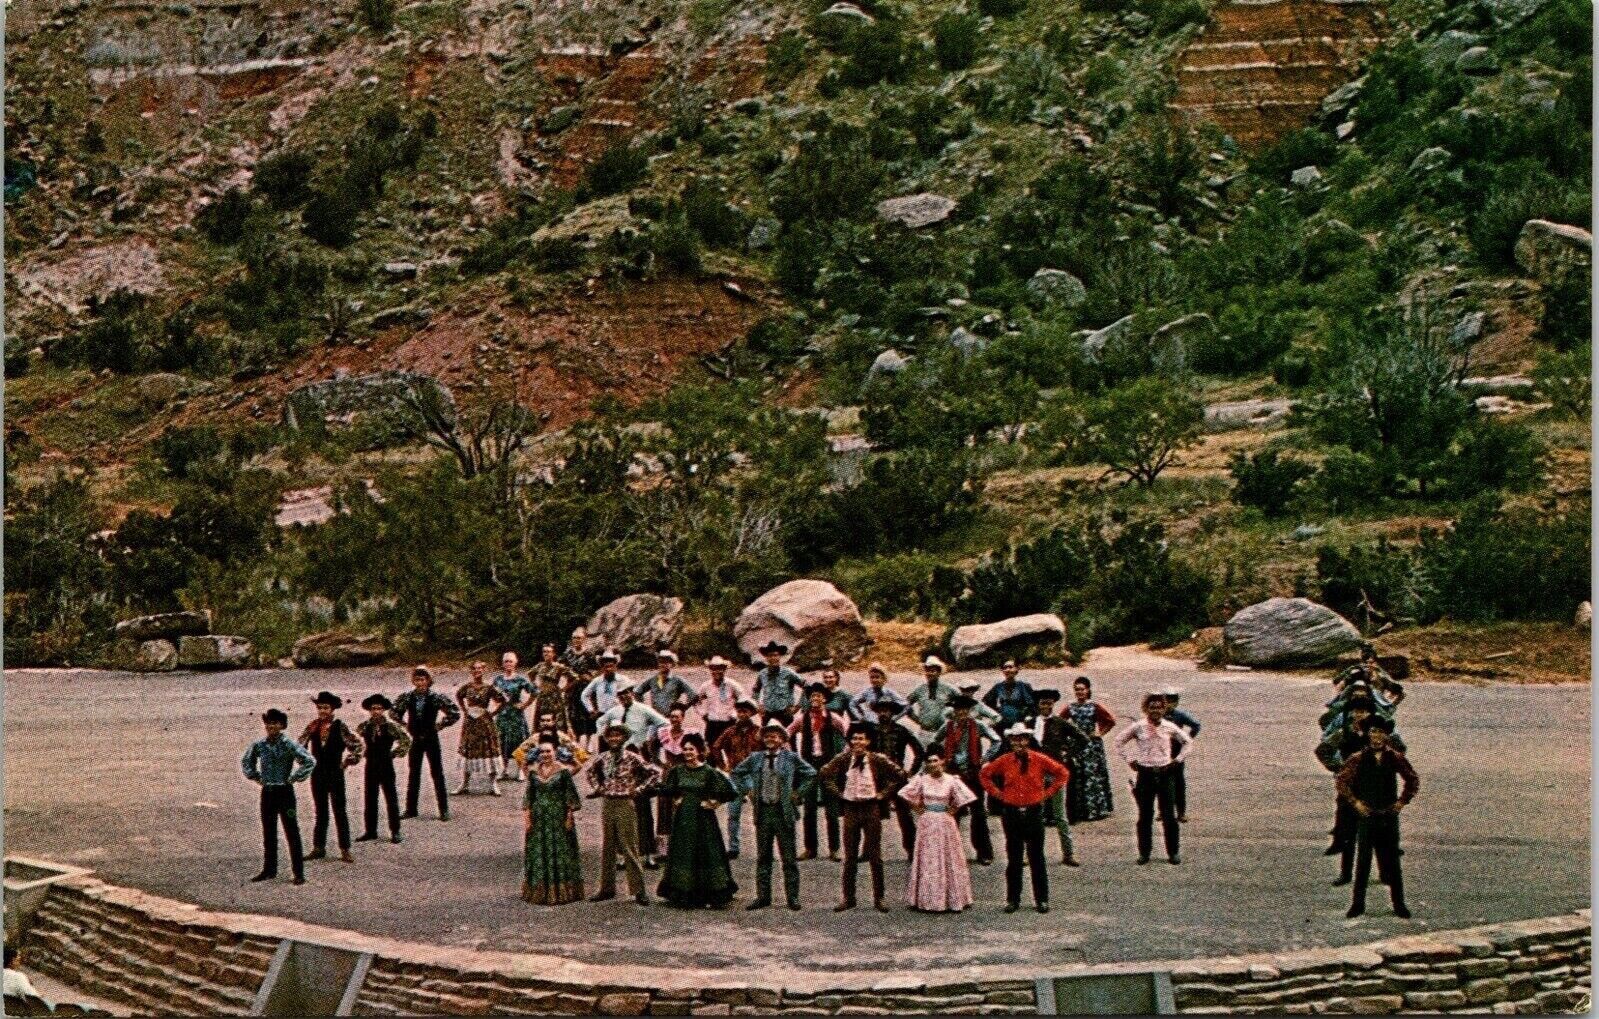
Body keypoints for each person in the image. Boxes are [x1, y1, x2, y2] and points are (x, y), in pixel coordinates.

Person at [981, 725, 1070, 913]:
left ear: (1028, 740)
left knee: (1037, 857)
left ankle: (1042, 900)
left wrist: (1048, 793)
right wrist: (998, 794)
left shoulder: (1039, 759)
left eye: (1022, 739)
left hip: (1033, 812)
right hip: (1011, 812)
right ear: (1010, 742)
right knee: (1014, 858)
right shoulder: (1004, 760)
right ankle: (1013, 899)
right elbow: (985, 774)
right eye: (1015, 739)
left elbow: (1062, 772)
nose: (1019, 743)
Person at [819, 724, 906, 913]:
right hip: (851, 808)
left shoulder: (877, 759)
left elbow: (899, 775)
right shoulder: (843, 759)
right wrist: (839, 793)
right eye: (854, 739)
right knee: (850, 856)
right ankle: (849, 898)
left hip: (871, 808)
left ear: (868, 741)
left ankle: (879, 897)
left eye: (861, 739)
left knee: (875, 855)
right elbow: (824, 773)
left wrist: (883, 794)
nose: (857, 742)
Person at [1336, 716, 1416, 919]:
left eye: (1380, 732)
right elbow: (1342, 781)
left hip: (1388, 816)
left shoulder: (1395, 757)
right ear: (1368, 735)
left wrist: (1401, 802)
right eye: (1373, 732)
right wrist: (1355, 803)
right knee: (1362, 863)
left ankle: (1399, 904)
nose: (1377, 737)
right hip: (1367, 816)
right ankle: (1357, 905)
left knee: (1393, 863)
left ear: (1387, 735)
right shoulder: (1358, 758)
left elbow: (1412, 779)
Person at [731, 721, 816, 911]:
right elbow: (737, 773)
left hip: (783, 812)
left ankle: (792, 897)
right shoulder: (756, 758)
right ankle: (763, 896)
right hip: (763, 812)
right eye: (767, 736)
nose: (771, 739)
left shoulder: (791, 758)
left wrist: (798, 793)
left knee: (788, 857)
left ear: (782, 739)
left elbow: (811, 773)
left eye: (775, 736)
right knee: (763, 856)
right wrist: (749, 790)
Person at [656, 733, 739, 909]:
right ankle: (683, 892)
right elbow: (666, 790)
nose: (688, 753)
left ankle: (710, 892)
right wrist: (676, 797)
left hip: (703, 819)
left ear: (700, 751)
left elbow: (730, 792)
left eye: (691, 749)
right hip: (683, 819)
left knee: (706, 852)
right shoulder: (676, 771)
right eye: (685, 749)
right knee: (683, 851)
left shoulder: (709, 772)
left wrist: (715, 802)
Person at [584, 722, 659, 905]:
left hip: (625, 802)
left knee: (629, 846)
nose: (614, 739)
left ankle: (639, 890)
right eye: (611, 736)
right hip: (608, 802)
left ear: (624, 738)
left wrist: (639, 789)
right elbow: (590, 772)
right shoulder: (603, 758)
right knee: (608, 846)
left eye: (618, 736)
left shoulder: (632, 758)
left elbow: (655, 773)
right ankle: (606, 888)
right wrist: (598, 788)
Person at [1114, 692, 1191, 865]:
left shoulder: (1169, 726)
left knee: (1169, 816)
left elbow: (1187, 742)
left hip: (1165, 773)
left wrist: (1177, 760)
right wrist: (1129, 760)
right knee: (1145, 816)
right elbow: (1119, 741)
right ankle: (1144, 853)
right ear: (1145, 709)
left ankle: (1173, 852)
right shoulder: (1138, 727)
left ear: (1164, 709)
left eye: (1159, 707)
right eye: (1151, 707)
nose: (1155, 710)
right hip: (1145, 774)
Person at [242, 708, 316, 884]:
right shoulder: (260, 745)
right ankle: (269, 869)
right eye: (268, 723)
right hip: (268, 792)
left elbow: (309, 760)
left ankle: (298, 873)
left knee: (292, 831)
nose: (270, 727)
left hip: (285, 792)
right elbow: (247, 761)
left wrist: (294, 777)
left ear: (282, 725)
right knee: (269, 832)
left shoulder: (289, 744)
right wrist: (255, 776)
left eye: (274, 723)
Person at [599, 686, 670, 866]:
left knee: (643, 807)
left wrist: (650, 741)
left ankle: (648, 854)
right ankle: (622, 855)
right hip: (618, 759)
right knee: (620, 808)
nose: (624, 697)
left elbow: (664, 723)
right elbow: (600, 723)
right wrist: (607, 740)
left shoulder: (644, 710)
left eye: (627, 693)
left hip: (638, 756)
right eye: (620, 694)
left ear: (632, 694)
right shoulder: (614, 712)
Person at [899, 751, 976, 912]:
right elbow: (904, 793)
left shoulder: (951, 780)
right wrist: (917, 807)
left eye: (935, 760)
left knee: (948, 856)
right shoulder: (921, 780)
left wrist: (954, 809)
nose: (932, 764)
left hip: (945, 820)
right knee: (928, 857)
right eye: (929, 761)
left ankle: (952, 898)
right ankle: (926, 899)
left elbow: (967, 797)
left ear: (942, 761)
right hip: (927, 820)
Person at [931, 695, 998, 866]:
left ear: (969, 711)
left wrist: (985, 759)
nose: (961, 712)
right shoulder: (947, 726)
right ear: (954, 710)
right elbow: (934, 742)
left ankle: (984, 852)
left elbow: (996, 740)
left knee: (979, 814)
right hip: (953, 773)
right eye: (958, 709)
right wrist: (941, 759)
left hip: (973, 773)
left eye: (964, 709)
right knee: (953, 813)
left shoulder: (978, 725)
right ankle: (948, 853)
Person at [787, 683, 850, 860]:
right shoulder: (802, 718)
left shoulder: (833, 717)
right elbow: (787, 734)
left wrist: (842, 757)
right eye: (812, 696)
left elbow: (849, 734)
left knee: (831, 807)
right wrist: (792, 756)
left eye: (819, 696)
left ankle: (834, 848)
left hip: (828, 764)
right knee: (809, 808)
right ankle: (810, 848)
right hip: (808, 765)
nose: (815, 699)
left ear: (825, 699)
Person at [299, 692, 363, 863]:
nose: (322, 711)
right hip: (318, 773)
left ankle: (345, 849)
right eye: (320, 707)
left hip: (335, 773)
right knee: (321, 811)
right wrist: (306, 762)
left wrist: (348, 761)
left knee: (339, 811)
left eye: (326, 707)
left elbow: (357, 744)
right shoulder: (312, 726)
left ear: (333, 709)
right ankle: (319, 847)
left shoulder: (340, 726)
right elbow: (299, 746)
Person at [392, 666, 461, 822]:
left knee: (437, 772)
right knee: (413, 772)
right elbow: (394, 711)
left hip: (431, 737)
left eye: (423, 680)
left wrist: (440, 725)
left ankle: (443, 809)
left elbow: (454, 712)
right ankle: (411, 808)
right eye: (417, 680)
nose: (420, 683)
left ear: (429, 681)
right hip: (415, 738)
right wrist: (404, 724)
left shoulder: (436, 697)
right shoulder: (408, 697)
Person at [521, 740, 585, 905]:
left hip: (558, 817)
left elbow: (570, 795)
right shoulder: (534, 772)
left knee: (560, 850)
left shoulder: (563, 772)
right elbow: (529, 796)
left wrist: (569, 816)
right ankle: (539, 892)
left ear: (555, 752)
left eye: (548, 751)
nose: (545, 755)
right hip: (539, 818)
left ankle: (562, 891)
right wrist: (528, 818)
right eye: (542, 752)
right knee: (539, 851)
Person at [1030, 688, 1087, 866]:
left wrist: (1067, 754)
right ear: (1038, 705)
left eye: (1049, 703)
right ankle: (1029, 854)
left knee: (1060, 816)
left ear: (1053, 705)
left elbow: (1083, 739)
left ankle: (1068, 853)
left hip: (1054, 773)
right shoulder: (1031, 723)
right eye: (1042, 703)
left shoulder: (1060, 722)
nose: (1046, 706)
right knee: (1032, 814)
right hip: (1034, 774)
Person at [869, 698, 927, 860]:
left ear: (893, 713)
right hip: (876, 776)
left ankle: (912, 850)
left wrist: (911, 771)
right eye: (880, 711)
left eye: (886, 711)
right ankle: (870, 850)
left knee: (905, 815)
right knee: (872, 815)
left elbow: (919, 751)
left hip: (897, 776)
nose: (883, 713)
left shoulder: (901, 730)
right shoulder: (871, 730)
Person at [709, 698, 763, 859]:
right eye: (739, 711)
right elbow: (716, 747)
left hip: (753, 775)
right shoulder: (730, 731)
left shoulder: (759, 731)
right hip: (735, 774)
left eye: (745, 711)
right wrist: (722, 764)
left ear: (751, 713)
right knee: (733, 813)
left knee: (759, 812)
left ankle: (762, 846)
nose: (742, 714)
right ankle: (734, 847)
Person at [355, 694, 410, 844]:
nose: (376, 712)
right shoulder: (365, 726)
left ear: (384, 710)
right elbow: (355, 740)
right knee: (370, 797)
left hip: (386, 763)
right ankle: (370, 830)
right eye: (373, 709)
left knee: (390, 797)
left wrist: (395, 753)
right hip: (371, 764)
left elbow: (406, 740)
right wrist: (359, 753)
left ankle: (395, 830)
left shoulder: (391, 726)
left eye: (379, 708)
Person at [1063, 677, 1116, 824]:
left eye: (1082, 689)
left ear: (1088, 690)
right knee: (1078, 776)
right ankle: (1080, 810)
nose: (1079, 692)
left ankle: (1096, 809)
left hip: (1091, 745)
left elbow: (1110, 721)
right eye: (1077, 689)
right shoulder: (1070, 707)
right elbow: (1060, 721)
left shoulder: (1094, 706)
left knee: (1092, 776)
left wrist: (1100, 733)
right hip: (1076, 745)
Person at [455, 662, 507, 796]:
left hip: (484, 722)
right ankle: (465, 783)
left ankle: (493, 783)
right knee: (468, 749)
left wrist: (493, 713)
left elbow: (504, 699)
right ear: (471, 671)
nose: (477, 671)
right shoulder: (467, 687)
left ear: (484, 670)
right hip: (470, 723)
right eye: (474, 669)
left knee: (489, 750)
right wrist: (465, 710)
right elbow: (458, 696)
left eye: (480, 669)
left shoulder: (489, 687)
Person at [1160, 686, 1200, 823]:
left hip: (1176, 752)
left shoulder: (1180, 715)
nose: (1168, 704)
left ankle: (1181, 812)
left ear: (1176, 703)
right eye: (1166, 700)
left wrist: (1187, 739)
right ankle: (1162, 811)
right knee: (1161, 783)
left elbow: (1196, 725)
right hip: (1161, 752)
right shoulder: (1158, 714)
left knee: (1179, 783)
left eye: (1172, 701)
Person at [492, 652, 535, 781]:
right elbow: (492, 694)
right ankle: (503, 769)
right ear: (502, 663)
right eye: (506, 661)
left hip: (516, 715)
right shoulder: (498, 679)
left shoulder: (520, 679)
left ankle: (521, 769)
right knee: (502, 741)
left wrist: (525, 705)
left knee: (518, 741)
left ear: (515, 663)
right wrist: (496, 704)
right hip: (502, 715)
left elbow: (534, 692)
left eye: (511, 661)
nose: (508, 664)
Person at [511, 709, 590, 770]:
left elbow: (581, 755)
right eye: (543, 720)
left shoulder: (562, 737)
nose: (545, 723)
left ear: (553, 722)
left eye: (548, 720)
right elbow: (518, 753)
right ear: (540, 722)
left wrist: (568, 773)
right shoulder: (535, 737)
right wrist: (529, 773)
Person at [696, 656, 747, 748]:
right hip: (712, 723)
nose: (717, 672)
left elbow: (744, 700)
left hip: (728, 722)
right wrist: (703, 713)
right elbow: (696, 701)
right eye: (714, 669)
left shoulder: (732, 685)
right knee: (712, 750)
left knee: (730, 749)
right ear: (710, 670)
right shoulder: (706, 686)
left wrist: (736, 714)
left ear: (724, 670)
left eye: (720, 669)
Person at [563, 628, 601, 751]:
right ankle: (577, 741)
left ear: (584, 639)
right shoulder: (568, 653)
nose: (576, 640)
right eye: (574, 638)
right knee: (573, 715)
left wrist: (590, 677)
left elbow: (598, 669)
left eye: (579, 638)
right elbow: (559, 667)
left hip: (586, 688)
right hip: (572, 688)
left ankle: (589, 741)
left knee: (588, 714)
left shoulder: (589, 653)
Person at [752, 641, 806, 724]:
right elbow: (756, 691)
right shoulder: (762, 674)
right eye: (770, 656)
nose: (773, 658)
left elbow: (806, 687)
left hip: (785, 713)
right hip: (768, 713)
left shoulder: (788, 673)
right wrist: (758, 706)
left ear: (779, 656)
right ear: (766, 658)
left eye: (775, 655)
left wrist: (797, 707)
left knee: (789, 736)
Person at [530, 644, 578, 733]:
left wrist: (564, 689)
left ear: (553, 654)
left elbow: (575, 677)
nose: (546, 654)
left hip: (555, 698)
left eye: (548, 652)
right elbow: (530, 674)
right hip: (542, 697)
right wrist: (536, 685)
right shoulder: (540, 666)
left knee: (557, 722)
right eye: (544, 652)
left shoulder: (558, 667)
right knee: (541, 721)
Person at [636, 650, 697, 716]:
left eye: (666, 662)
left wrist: (682, 709)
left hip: (671, 719)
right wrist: (644, 709)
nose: (663, 664)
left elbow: (693, 695)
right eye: (661, 662)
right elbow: (637, 692)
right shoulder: (652, 679)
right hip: (655, 718)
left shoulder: (677, 680)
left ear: (672, 664)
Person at [906, 657, 957, 733]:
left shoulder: (948, 689)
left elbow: (963, 703)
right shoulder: (919, 689)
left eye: (933, 671)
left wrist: (950, 714)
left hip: (944, 732)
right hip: (925, 731)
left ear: (939, 672)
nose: (929, 673)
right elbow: (906, 705)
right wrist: (918, 720)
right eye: (927, 671)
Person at [580, 651, 628, 732]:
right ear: (602, 668)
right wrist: (591, 710)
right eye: (606, 667)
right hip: (602, 714)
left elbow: (633, 693)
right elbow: (584, 695)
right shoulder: (597, 681)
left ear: (615, 666)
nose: (609, 669)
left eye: (611, 666)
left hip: (619, 714)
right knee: (602, 738)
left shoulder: (623, 679)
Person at [984, 661, 1038, 730]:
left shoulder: (1024, 686)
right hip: (1003, 722)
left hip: (1020, 722)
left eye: (1010, 667)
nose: (1007, 670)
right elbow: (987, 701)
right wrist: (996, 713)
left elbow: (1033, 705)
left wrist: (1028, 717)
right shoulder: (998, 687)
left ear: (1016, 669)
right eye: (1005, 668)